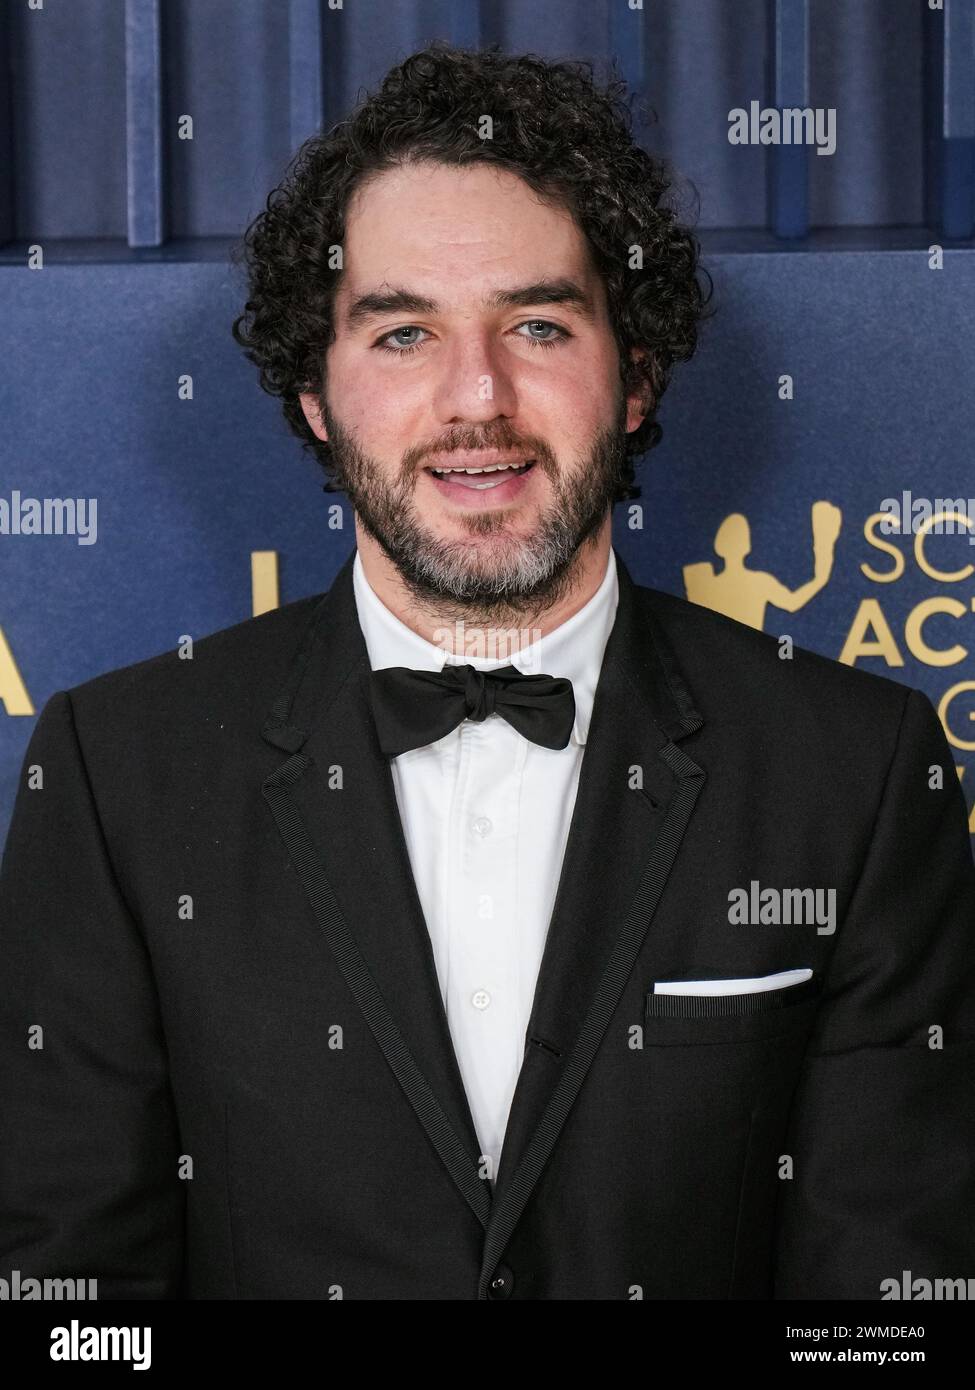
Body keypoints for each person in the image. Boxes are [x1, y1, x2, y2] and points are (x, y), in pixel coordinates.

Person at [1, 42, 973, 1302]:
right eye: (403, 332)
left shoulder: (861, 772)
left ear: (636, 374)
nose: (480, 397)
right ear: (315, 392)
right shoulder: (113, 773)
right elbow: (71, 1316)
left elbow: (887, 1318)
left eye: (537, 323)